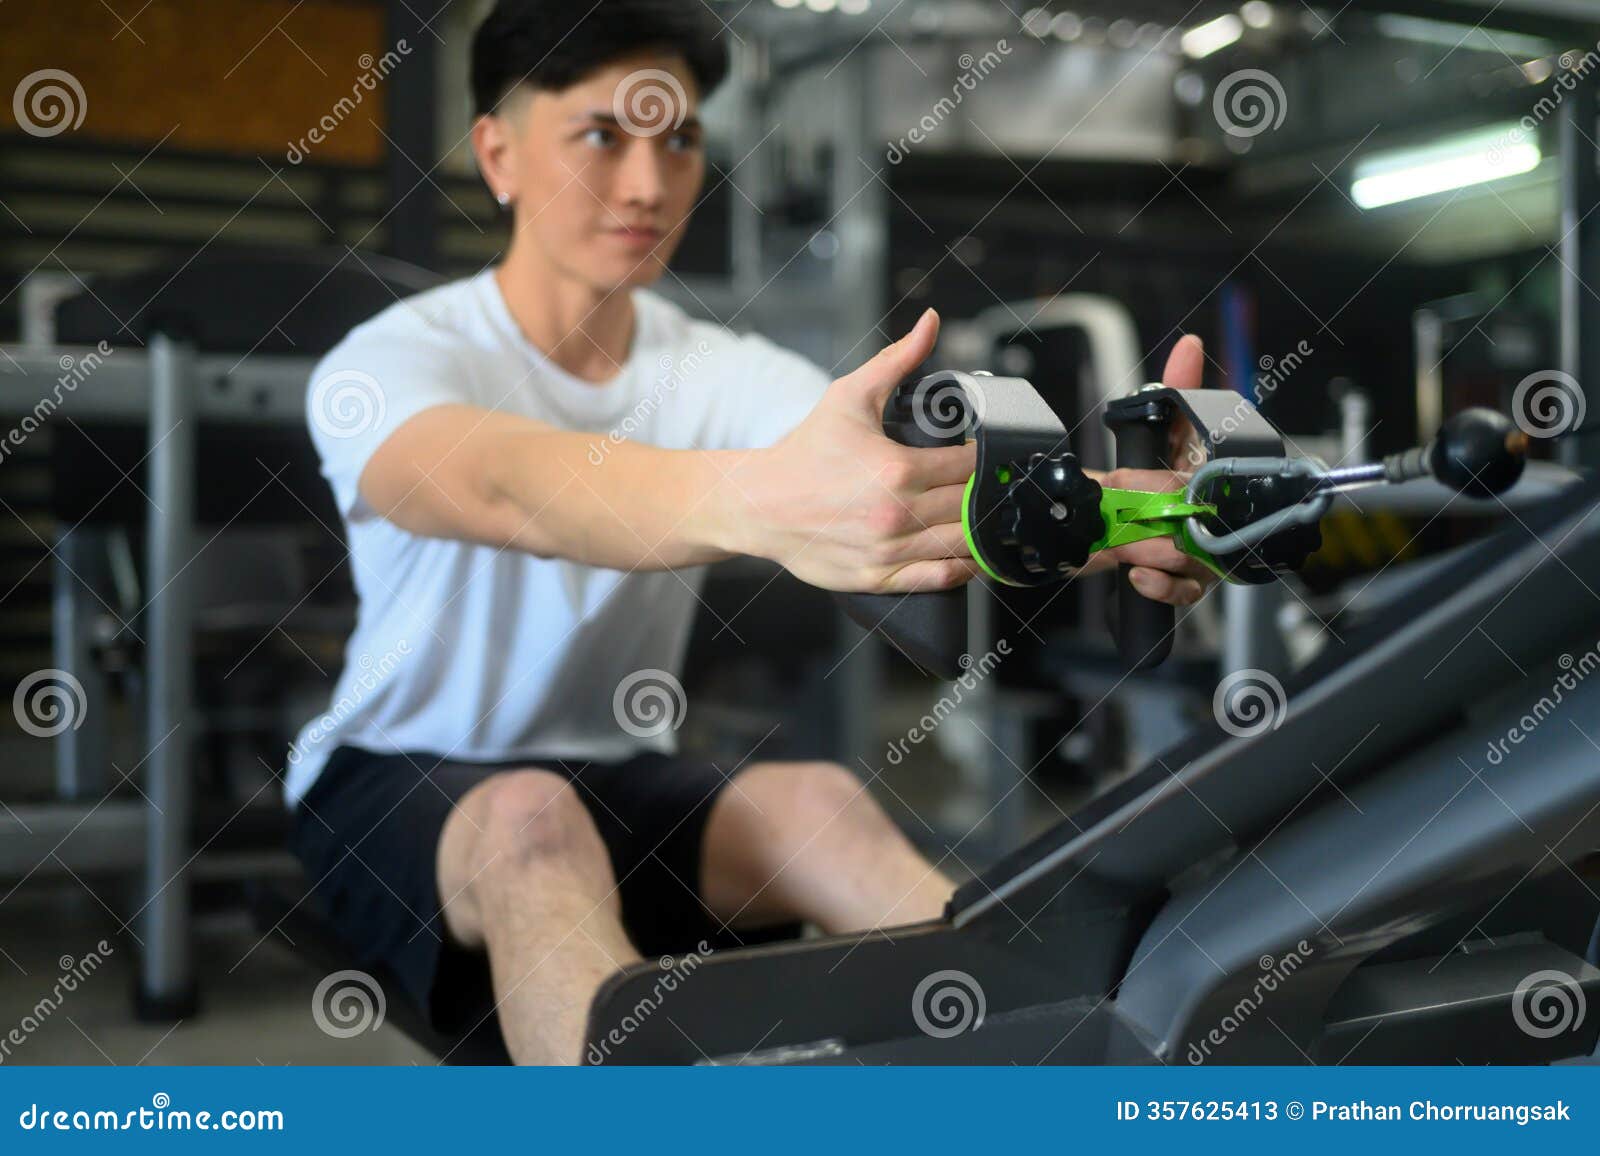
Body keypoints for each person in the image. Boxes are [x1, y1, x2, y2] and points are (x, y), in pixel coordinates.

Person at [285, 0, 1216, 1065]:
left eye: (678, 140)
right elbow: (499, 487)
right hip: (395, 776)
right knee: (530, 821)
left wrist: (1131, 509)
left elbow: (901, 482)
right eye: (602, 136)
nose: (648, 185)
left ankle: (1087, 1065)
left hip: (618, 770)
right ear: (497, 153)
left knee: (816, 801)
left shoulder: (713, 366)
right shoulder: (394, 357)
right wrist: (756, 502)